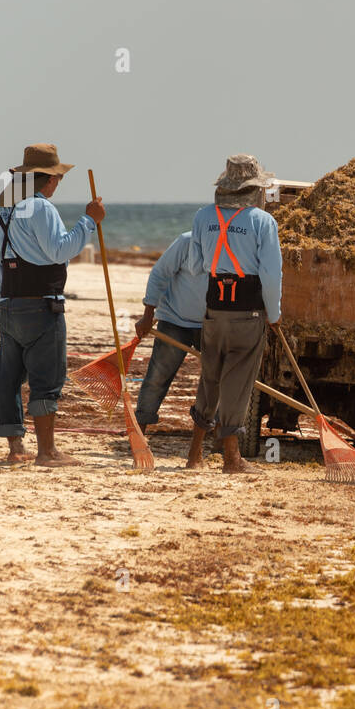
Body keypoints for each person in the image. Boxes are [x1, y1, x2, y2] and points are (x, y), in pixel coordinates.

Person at [0, 144, 104, 466]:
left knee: (9, 377)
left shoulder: (0, 210)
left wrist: (2, 301)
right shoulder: (40, 208)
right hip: (41, 306)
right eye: (57, 179)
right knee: (46, 377)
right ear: (48, 180)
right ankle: (47, 452)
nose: (58, 184)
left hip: (8, 304)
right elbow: (59, 251)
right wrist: (89, 222)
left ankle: (15, 449)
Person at [184, 155, 283, 473]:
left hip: (214, 309)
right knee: (238, 383)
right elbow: (271, 274)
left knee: (209, 378)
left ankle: (194, 456)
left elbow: (196, 266)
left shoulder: (202, 217)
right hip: (248, 311)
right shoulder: (262, 222)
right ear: (254, 189)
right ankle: (231, 459)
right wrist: (275, 313)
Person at [132, 231, 210, 433]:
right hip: (174, 320)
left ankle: (217, 433)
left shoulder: (232, 244)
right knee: (158, 376)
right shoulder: (187, 241)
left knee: (216, 379)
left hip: (211, 324)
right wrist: (148, 314)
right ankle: (139, 429)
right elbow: (160, 273)